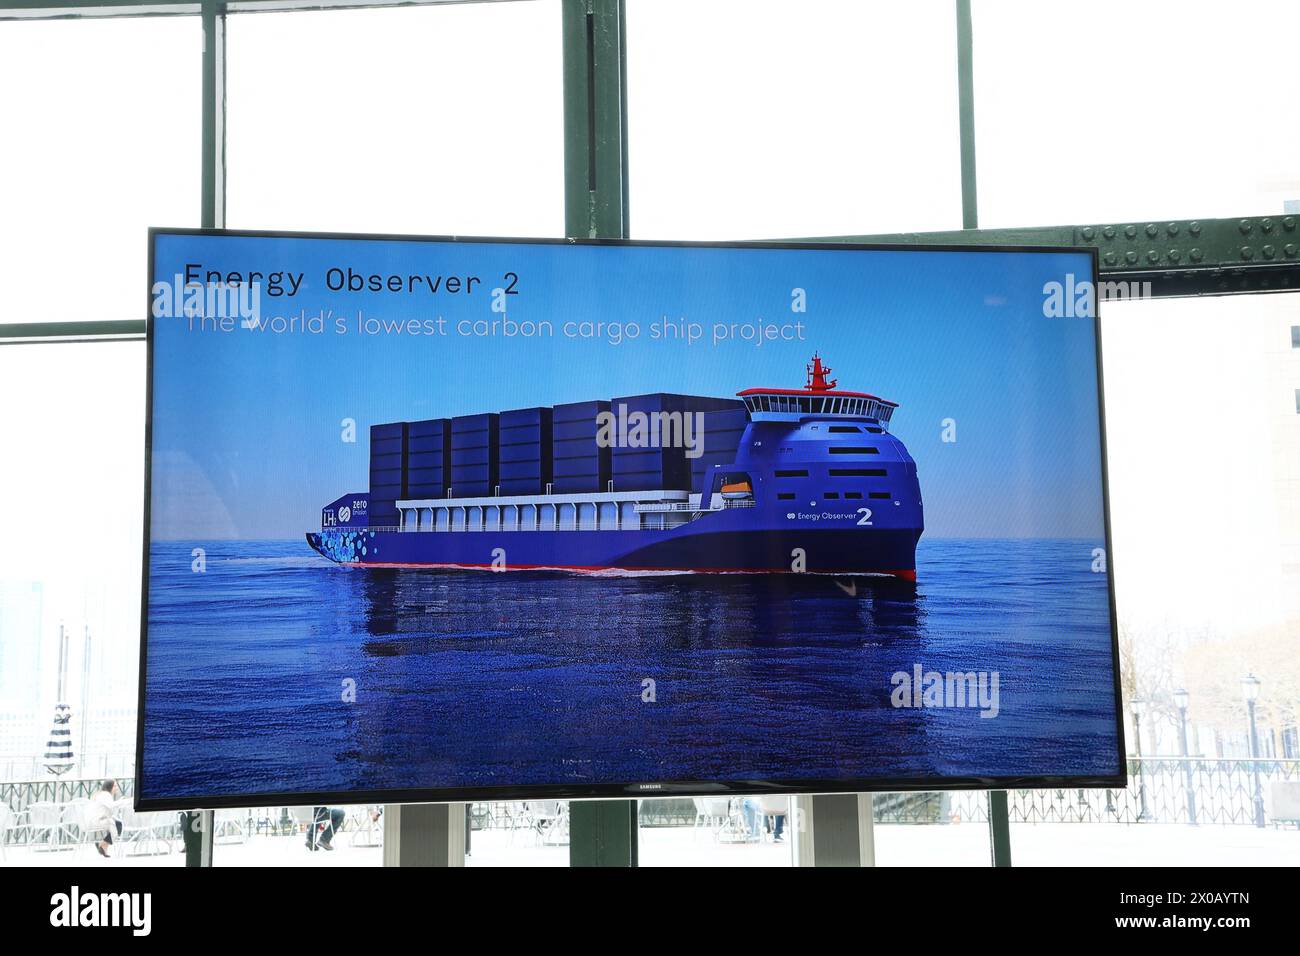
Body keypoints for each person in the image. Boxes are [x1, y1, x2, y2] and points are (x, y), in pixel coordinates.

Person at [89, 779, 122, 858]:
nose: (116, 788)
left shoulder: (102, 794)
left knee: (117, 824)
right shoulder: (105, 795)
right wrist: (123, 801)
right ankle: (103, 844)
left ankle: (104, 847)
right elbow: (111, 806)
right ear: (109, 786)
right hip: (98, 821)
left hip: (94, 820)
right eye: (115, 786)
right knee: (118, 825)